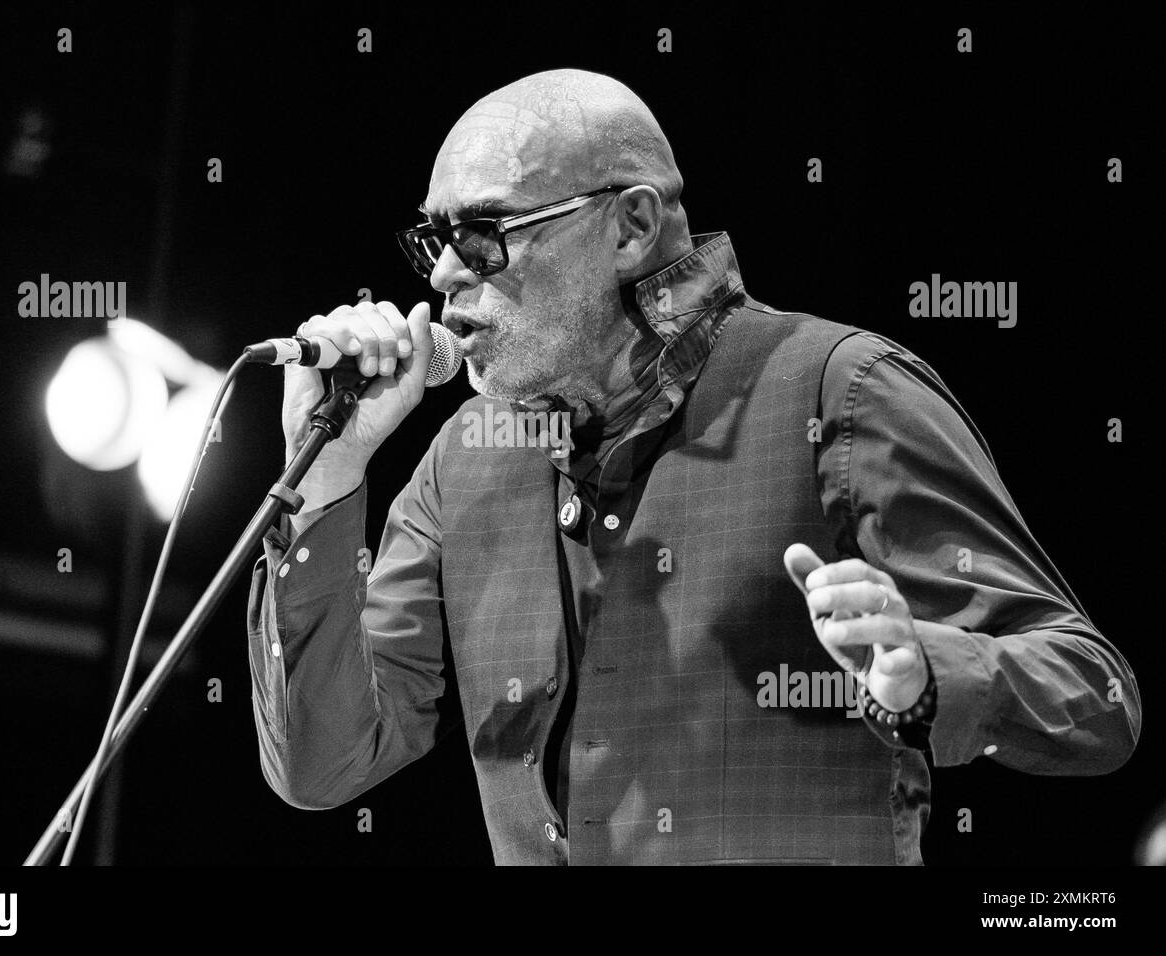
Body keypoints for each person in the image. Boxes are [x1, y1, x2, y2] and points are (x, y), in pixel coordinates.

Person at [245, 69, 1140, 865]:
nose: (443, 274)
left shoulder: (842, 394)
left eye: (484, 235)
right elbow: (324, 765)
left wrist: (930, 672)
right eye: (431, 239)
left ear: (630, 226)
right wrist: (328, 473)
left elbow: (1097, 696)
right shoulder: (463, 461)